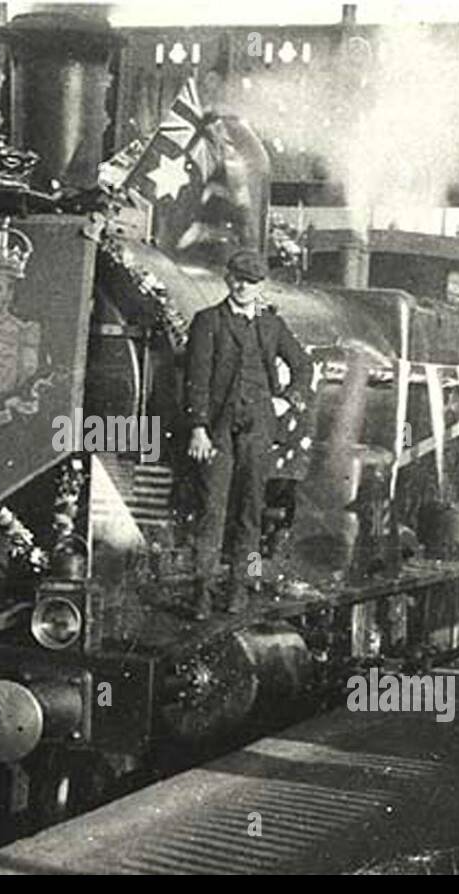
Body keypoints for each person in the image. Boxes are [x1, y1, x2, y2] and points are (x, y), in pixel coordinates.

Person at [184, 250, 312, 619]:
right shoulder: (207, 321)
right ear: (227, 279)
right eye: (238, 278)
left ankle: (241, 586)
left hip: (260, 429)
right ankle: (202, 593)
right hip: (217, 432)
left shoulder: (272, 326)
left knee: (251, 512)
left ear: (261, 286)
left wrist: (288, 401)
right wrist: (198, 429)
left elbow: (302, 364)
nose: (243, 286)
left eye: (251, 281)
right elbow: (196, 379)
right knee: (211, 511)